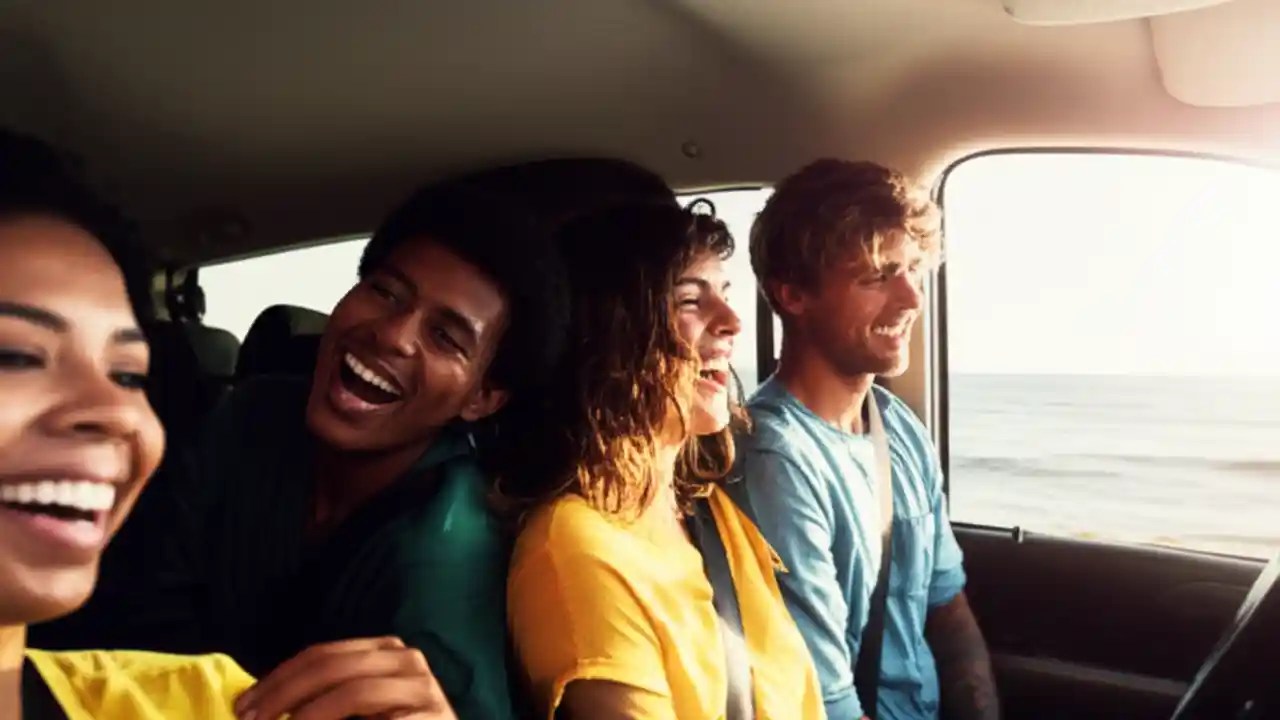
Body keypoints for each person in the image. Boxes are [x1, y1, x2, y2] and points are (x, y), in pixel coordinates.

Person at [0, 127, 445, 720]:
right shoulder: (243, 429)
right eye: (15, 356)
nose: (117, 414)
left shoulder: (203, 699)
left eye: (127, 375)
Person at [506, 203, 825, 719]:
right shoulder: (575, 550)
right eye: (690, 300)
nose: (733, 322)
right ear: (612, 336)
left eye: (724, 296)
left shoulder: (714, 514)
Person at [726, 159, 999, 720]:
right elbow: (824, 701)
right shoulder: (775, 460)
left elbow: (947, 610)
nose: (912, 299)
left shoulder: (897, 427)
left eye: (913, 269)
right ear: (793, 295)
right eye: (877, 277)